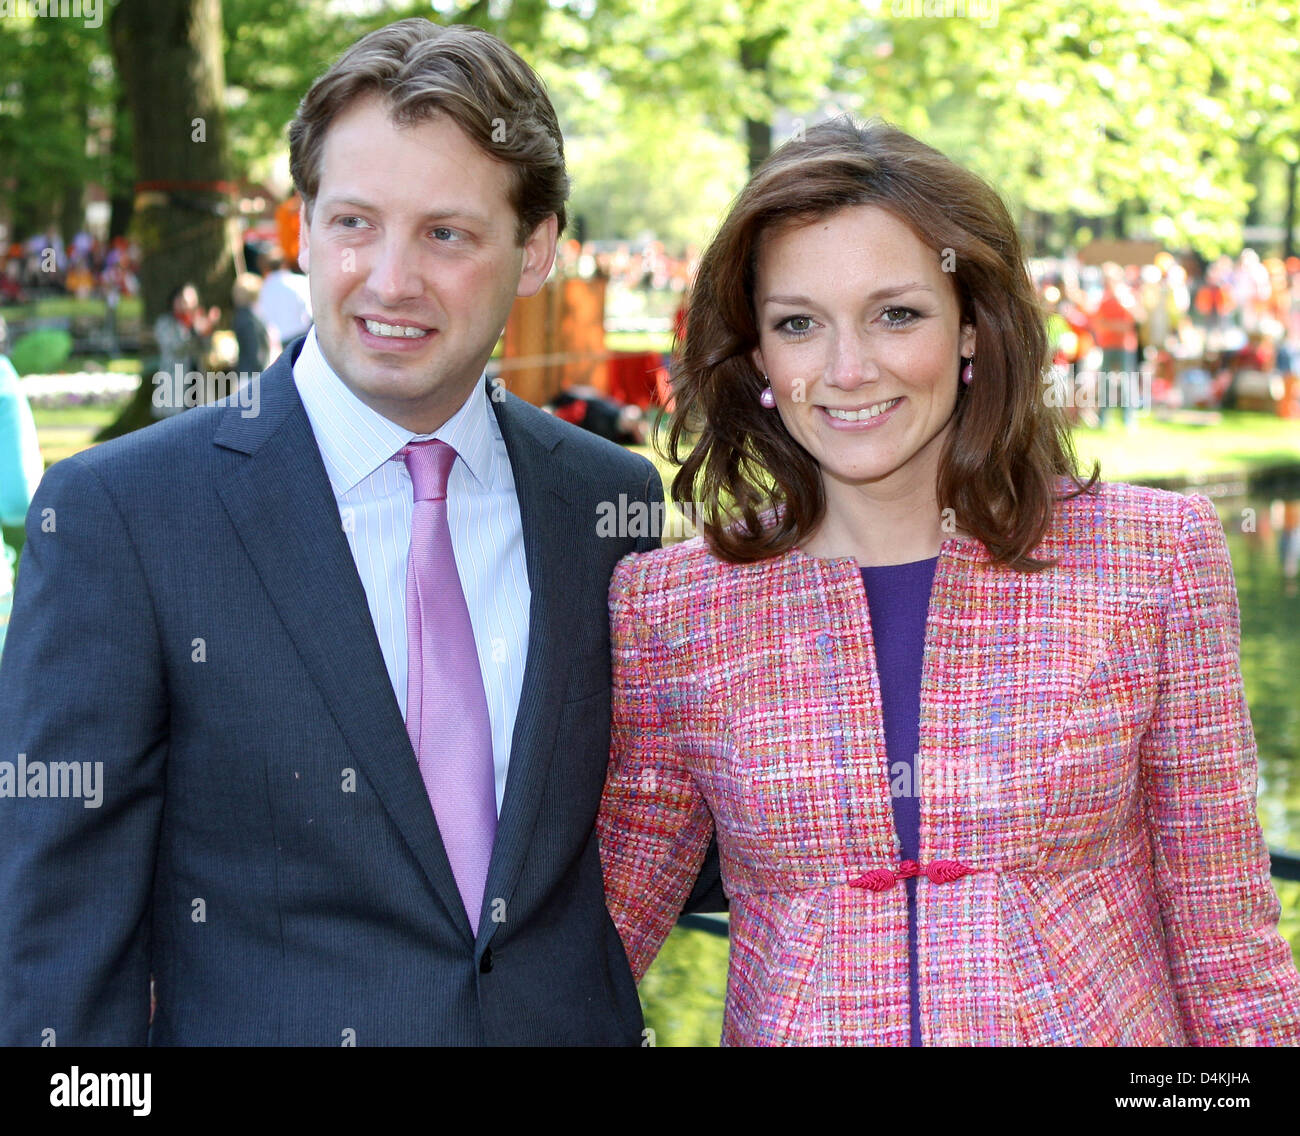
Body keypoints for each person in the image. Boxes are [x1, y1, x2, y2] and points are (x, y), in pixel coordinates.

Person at [0, 18, 718, 1047]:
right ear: (303, 224)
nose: (390, 279)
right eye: (352, 223)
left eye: (446, 233)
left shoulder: (605, 507)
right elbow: (56, 943)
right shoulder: (124, 517)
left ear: (536, 248)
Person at [595, 116, 1300, 1046]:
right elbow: (598, 937)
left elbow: (1227, 944)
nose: (848, 371)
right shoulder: (674, 609)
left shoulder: (1151, 560)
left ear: (972, 328)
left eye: (898, 314)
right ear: (758, 357)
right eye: (799, 324)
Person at [152, 281, 220, 418]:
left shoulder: (197, 320)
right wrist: (194, 331)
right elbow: (176, 347)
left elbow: (207, 349)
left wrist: (208, 329)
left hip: (197, 384)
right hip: (175, 383)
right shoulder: (165, 323)